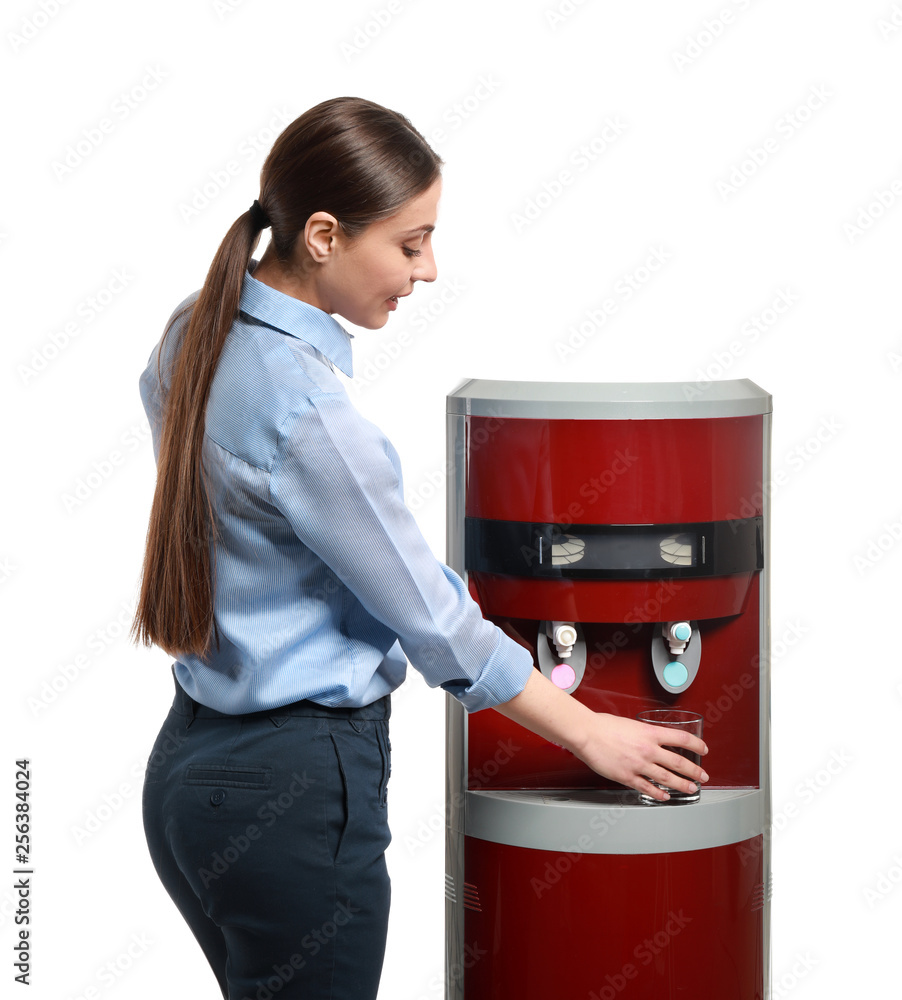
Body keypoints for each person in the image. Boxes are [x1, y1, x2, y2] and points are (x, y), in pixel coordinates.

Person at [131, 95, 708, 1000]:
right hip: (294, 789)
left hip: (189, 778)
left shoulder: (192, 331)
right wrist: (590, 730)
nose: (429, 269)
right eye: (411, 242)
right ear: (323, 235)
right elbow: (437, 624)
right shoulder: (312, 418)